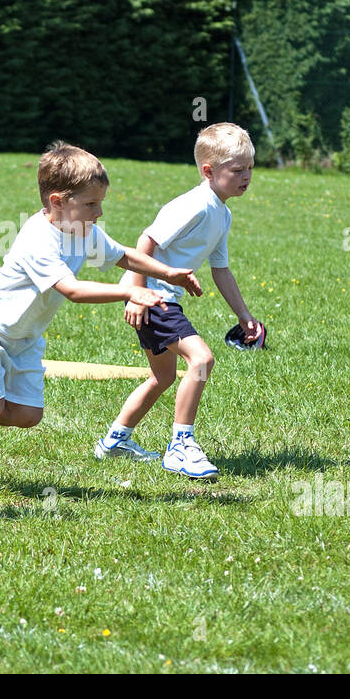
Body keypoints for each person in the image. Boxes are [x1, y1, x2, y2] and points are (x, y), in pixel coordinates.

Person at [0, 141, 202, 488]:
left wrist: (168, 273)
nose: (99, 213)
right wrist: (129, 290)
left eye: (100, 202)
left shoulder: (82, 230)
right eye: (91, 203)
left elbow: (123, 256)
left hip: (25, 336)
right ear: (57, 201)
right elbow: (72, 291)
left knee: (28, 415)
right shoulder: (39, 239)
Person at [95, 123, 262, 481]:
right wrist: (137, 294)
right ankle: (180, 446)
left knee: (162, 376)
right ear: (208, 171)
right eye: (237, 170)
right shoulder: (195, 206)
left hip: (159, 297)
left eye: (250, 167)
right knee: (201, 360)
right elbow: (145, 242)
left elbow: (222, 271)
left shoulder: (222, 212)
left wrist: (245, 316)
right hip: (153, 296)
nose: (246, 176)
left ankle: (115, 440)